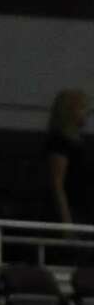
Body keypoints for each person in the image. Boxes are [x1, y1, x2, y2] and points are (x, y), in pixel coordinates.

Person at [45, 88, 92, 227]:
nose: (87, 113)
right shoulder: (59, 143)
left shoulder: (78, 143)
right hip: (71, 212)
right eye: (82, 108)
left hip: (81, 208)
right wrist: (67, 222)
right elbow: (57, 184)